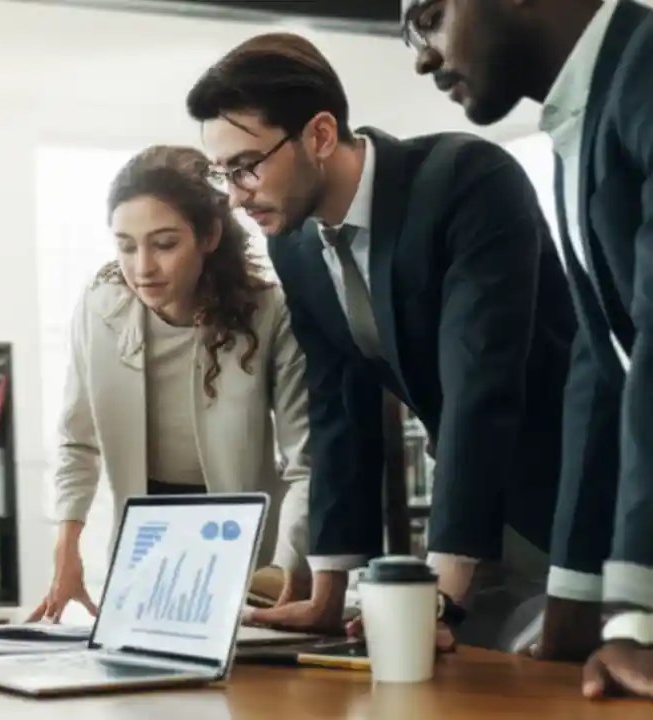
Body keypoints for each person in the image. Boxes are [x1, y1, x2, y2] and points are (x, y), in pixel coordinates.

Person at [184, 33, 579, 652]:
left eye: (247, 166)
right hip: (481, 520)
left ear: (318, 135)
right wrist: (328, 593)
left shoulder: (466, 180)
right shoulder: (293, 244)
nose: (235, 194)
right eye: (222, 173)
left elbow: (481, 383)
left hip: (580, 506)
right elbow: (340, 407)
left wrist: (441, 598)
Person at [405, 0, 653, 699]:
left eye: (430, 15)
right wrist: (575, 599)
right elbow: (601, 372)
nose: (423, 57)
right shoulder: (589, 115)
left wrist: (640, 617)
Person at [30, 145, 312, 622]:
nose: (143, 267)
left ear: (208, 237)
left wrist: (291, 567)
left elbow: (305, 461)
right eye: (125, 245)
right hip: (144, 529)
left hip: (241, 527)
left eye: (164, 244)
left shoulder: (269, 311)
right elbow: (78, 443)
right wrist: (66, 552)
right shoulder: (100, 308)